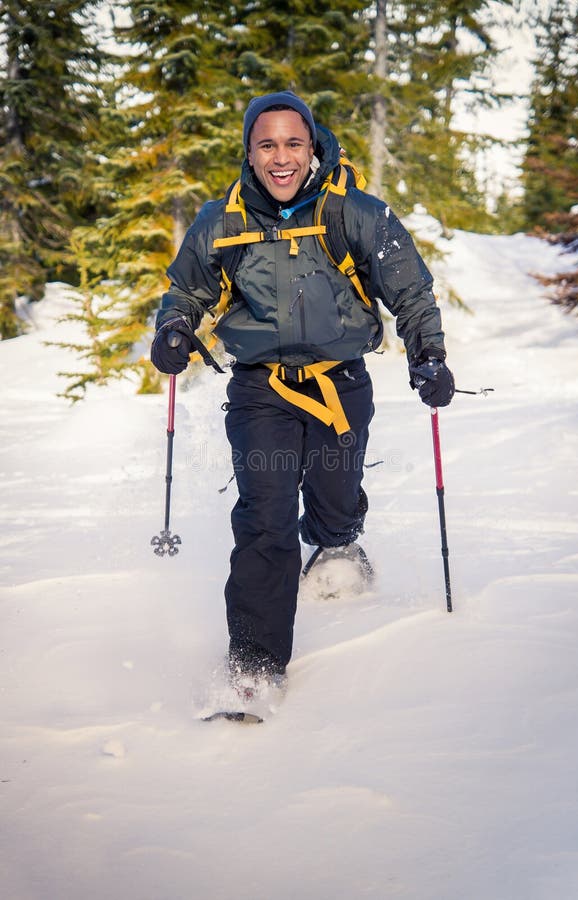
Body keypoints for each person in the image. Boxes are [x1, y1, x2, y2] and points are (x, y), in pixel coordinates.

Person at [150, 91, 454, 689]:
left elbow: (411, 292)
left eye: (293, 143)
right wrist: (174, 327)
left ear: (312, 146)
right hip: (261, 390)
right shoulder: (223, 219)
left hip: (341, 384)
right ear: (250, 152)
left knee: (335, 498)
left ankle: (338, 542)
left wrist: (430, 356)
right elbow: (185, 292)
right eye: (267, 144)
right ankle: (256, 664)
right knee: (265, 517)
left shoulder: (357, 213)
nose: (281, 157)